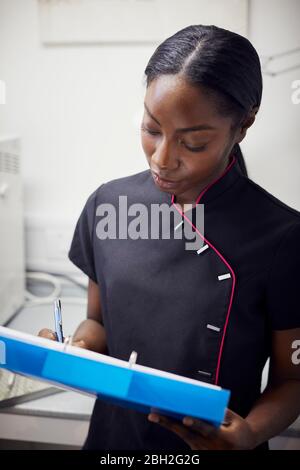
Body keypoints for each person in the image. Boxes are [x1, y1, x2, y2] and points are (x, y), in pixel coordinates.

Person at [39, 24, 300, 450]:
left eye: (193, 143)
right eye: (152, 129)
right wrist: (75, 350)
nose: (162, 159)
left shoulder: (283, 237)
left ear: (244, 124)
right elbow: (99, 323)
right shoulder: (110, 205)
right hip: (112, 444)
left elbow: (293, 377)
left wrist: (250, 433)